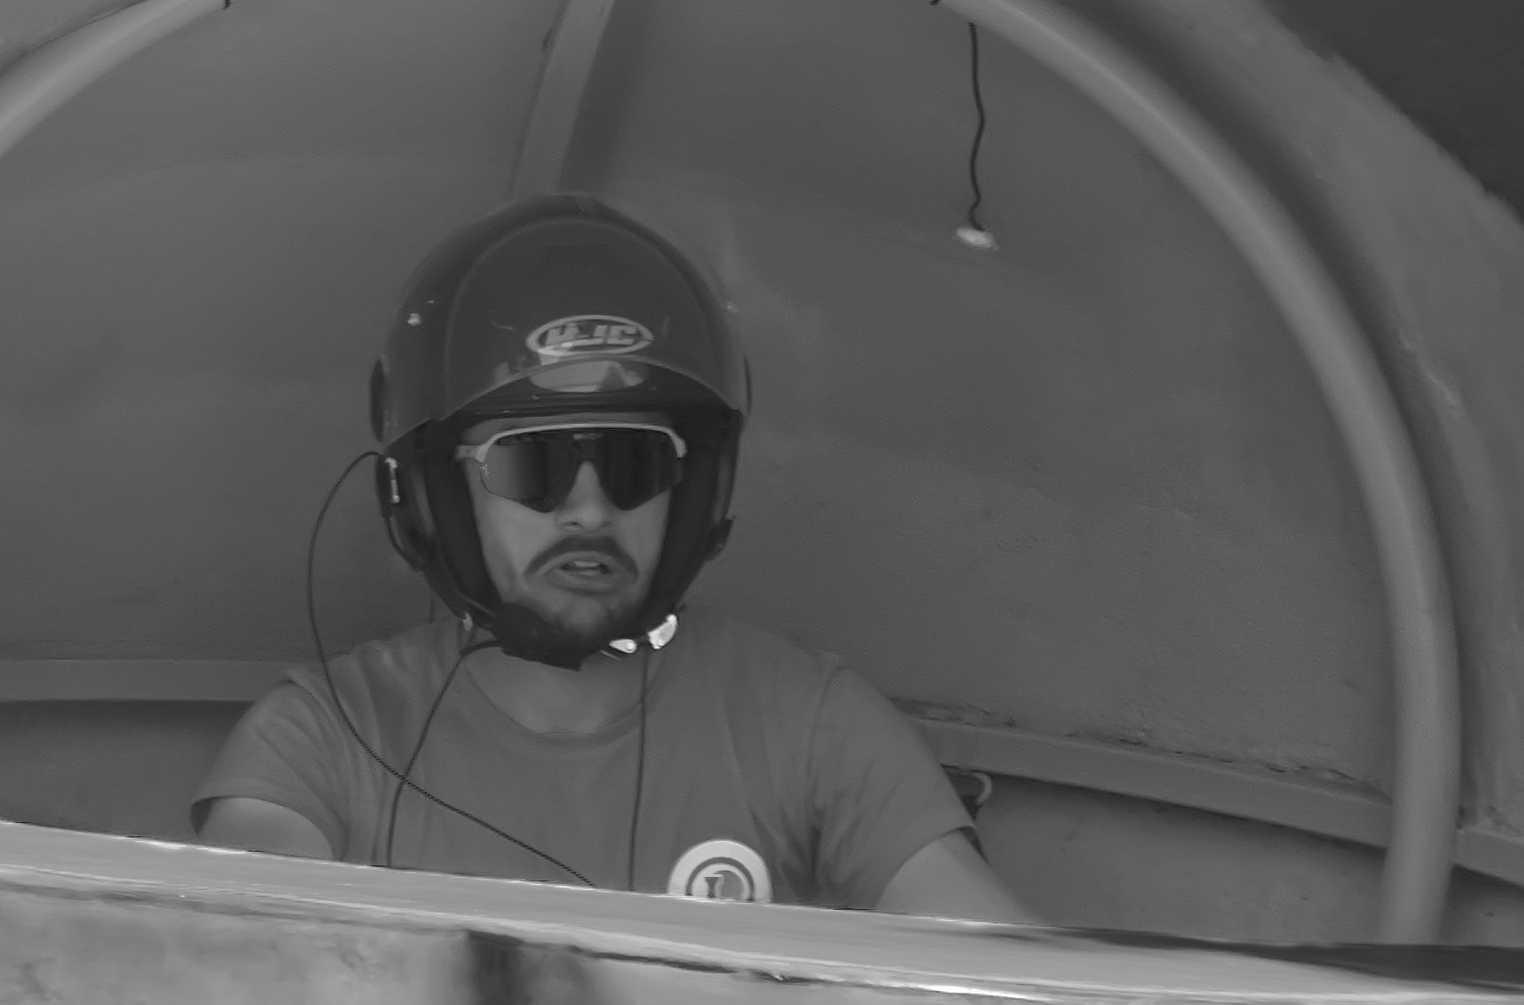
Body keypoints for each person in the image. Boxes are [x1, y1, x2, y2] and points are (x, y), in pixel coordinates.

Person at [195, 197, 1033, 923]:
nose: (590, 509)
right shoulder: (323, 738)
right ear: (431, 496)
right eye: (534, 466)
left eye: (636, 465)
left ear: (693, 492)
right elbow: (238, 969)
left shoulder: (810, 724)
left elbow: (1016, 990)